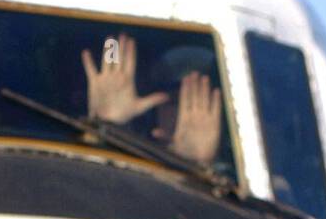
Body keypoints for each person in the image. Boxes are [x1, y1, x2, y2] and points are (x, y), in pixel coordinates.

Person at [82, 33, 223, 168]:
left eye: (200, 106)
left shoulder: (233, 177)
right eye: (172, 102)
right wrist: (106, 123)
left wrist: (197, 164)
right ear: (155, 107)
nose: (185, 116)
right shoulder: (130, 155)